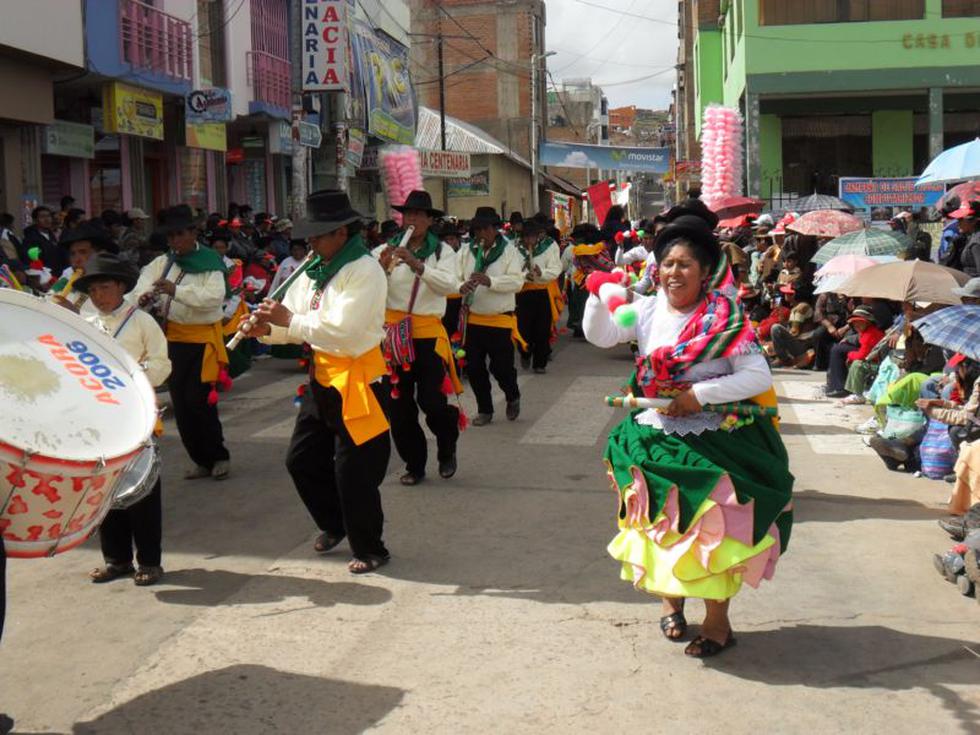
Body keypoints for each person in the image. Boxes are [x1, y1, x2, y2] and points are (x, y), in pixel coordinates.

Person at [584, 212, 793, 658]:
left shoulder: (725, 317)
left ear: (704, 272)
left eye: (684, 265)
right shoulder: (645, 309)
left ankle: (718, 623)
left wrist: (698, 395)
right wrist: (601, 292)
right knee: (660, 525)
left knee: (712, 535)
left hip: (712, 438)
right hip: (654, 435)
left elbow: (757, 375)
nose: (674, 273)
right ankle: (670, 602)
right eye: (667, 264)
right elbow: (601, 336)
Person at [246, 189, 392, 574]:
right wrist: (265, 329)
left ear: (341, 232)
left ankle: (371, 547)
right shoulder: (313, 270)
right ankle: (335, 522)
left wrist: (287, 321)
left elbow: (343, 331)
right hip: (322, 376)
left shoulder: (364, 270)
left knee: (354, 472)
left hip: (359, 379)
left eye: (317, 236)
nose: (309, 244)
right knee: (301, 460)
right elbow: (293, 322)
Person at [72, 252, 172, 586]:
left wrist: (130, 378)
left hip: (135, 415)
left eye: (104, 287)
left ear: (120, 286)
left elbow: (161, 365)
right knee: (105, 490)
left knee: (142, 489)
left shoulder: (142, 321)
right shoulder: (85, 324)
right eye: (92, 290)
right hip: (98, 418)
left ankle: (150, 561)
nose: (98, 296)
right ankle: (116, 559)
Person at [135, 204, 231, 480]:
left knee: (198, 401)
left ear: (193, 233)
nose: (175, 241)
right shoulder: (162, 263)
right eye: (171, 236)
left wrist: (176, 290)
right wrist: (143, 297)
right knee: (181, 403)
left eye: (179, 235)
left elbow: (213, 298)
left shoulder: (211, 262)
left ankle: (218, 455)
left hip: (202, 340)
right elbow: (141, 286)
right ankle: (200, 460)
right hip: (174, 339)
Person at [376, 190, 462, 485]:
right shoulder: (385, 248)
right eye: (407, 214)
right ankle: (414, 464)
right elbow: (369, 287)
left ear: (429, 220)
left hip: (427, 334)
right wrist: (380, 268)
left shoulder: (442, 252)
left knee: (432, 402)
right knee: (399, 408)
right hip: (393, 336)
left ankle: (447, 445)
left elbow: (449, 286)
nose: (411, 219)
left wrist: (417, 265)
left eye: (418, 214)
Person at [456, 206, 526, 426]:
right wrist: (462, 285)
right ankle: (485, 410)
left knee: (501, 367)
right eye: (478, 229)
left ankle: (512, 395)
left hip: (499, 319)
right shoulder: (466, 251)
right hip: (473, 319)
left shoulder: (509, 251)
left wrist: (490, 281)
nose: (482, 234)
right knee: (474, 368)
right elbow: (454, 277)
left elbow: (517, 282)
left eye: (486, 229)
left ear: (495, 229)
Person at [516, 214, 563, 373]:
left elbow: (556, 269)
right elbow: (510, 272)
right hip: (522, 293)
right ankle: (525, 353)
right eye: (526, 237)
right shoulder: (514, 249)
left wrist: (541, 272)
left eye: (533, 236)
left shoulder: (550, 246)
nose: (529, 240)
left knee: (542, 329)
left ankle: (540, 363)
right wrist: (524, 275)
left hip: (543, 292)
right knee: (523, 329)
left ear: (538, 236)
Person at [50, 219, 119, 314]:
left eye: (83, 252)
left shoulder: (117, 283)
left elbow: (114, 320)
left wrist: (75, 313)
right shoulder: (68, 275)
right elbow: (49, 299)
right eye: (72, 254)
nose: (76, 260)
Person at [824, 305, 885, 399]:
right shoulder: (867, 331)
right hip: (869, 355)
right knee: (838, 348)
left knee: (838, 350)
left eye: (860, 322)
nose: (856, 325)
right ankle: (836, 385)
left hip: (874, 359)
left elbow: (863, 355)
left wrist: (850, 355)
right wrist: (848, 341)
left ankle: (839, 387)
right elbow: (859, 340)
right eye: (855, 323)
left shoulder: (870, 334)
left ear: (868, 322)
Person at [20, 205, 66, 274]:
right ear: (35, 220)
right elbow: (31, 261)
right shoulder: (30, 239)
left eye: (48, 216)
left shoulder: (52, 235)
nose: (47, 219)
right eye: (42, 217)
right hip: (44, 274)